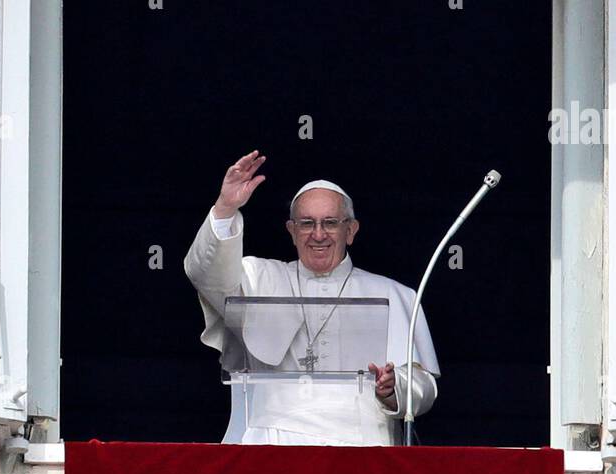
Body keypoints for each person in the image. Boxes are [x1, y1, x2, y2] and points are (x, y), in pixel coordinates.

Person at [184, 150, 440, 445]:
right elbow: (205, 274)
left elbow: (424, 387)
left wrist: (395, 387)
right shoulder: (258, 279)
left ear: (351, 231)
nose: (318, 234)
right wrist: (226, 208)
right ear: (292, 232)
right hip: (272, 440)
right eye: (306, 224)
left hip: (361, 441)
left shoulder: (394, 295)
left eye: (330, 222)